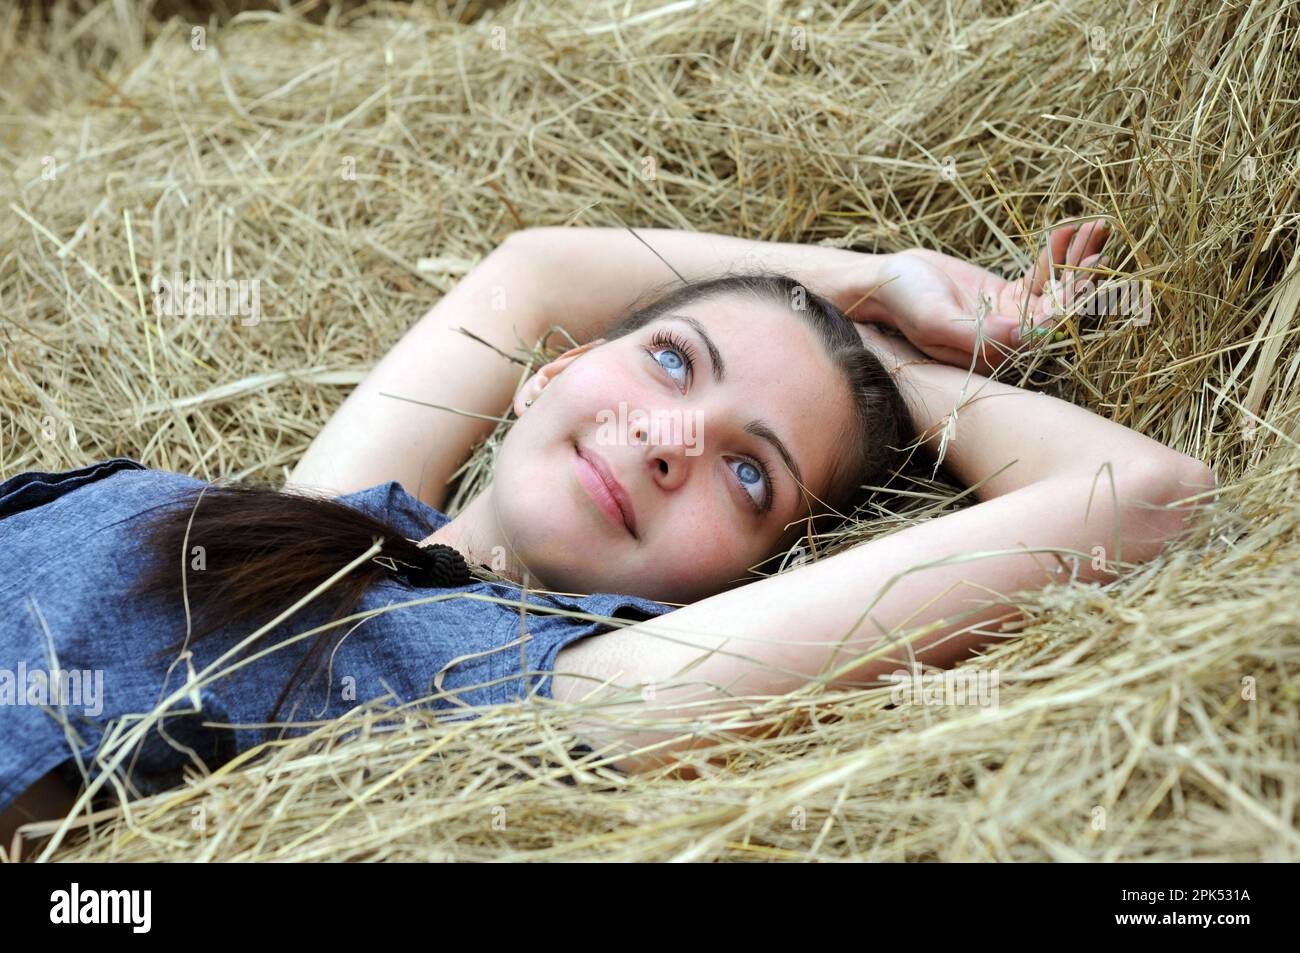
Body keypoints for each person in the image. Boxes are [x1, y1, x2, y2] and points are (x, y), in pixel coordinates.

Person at [0, 221, 1215, 854]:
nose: (666, 437)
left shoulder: (561, 685)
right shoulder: (335, 510)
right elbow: (533, 271)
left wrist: (900, 373)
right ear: (549, 378)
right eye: (673, 362)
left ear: (740, 578)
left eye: (749, 469)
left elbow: (1147, 491)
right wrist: (873, 283)